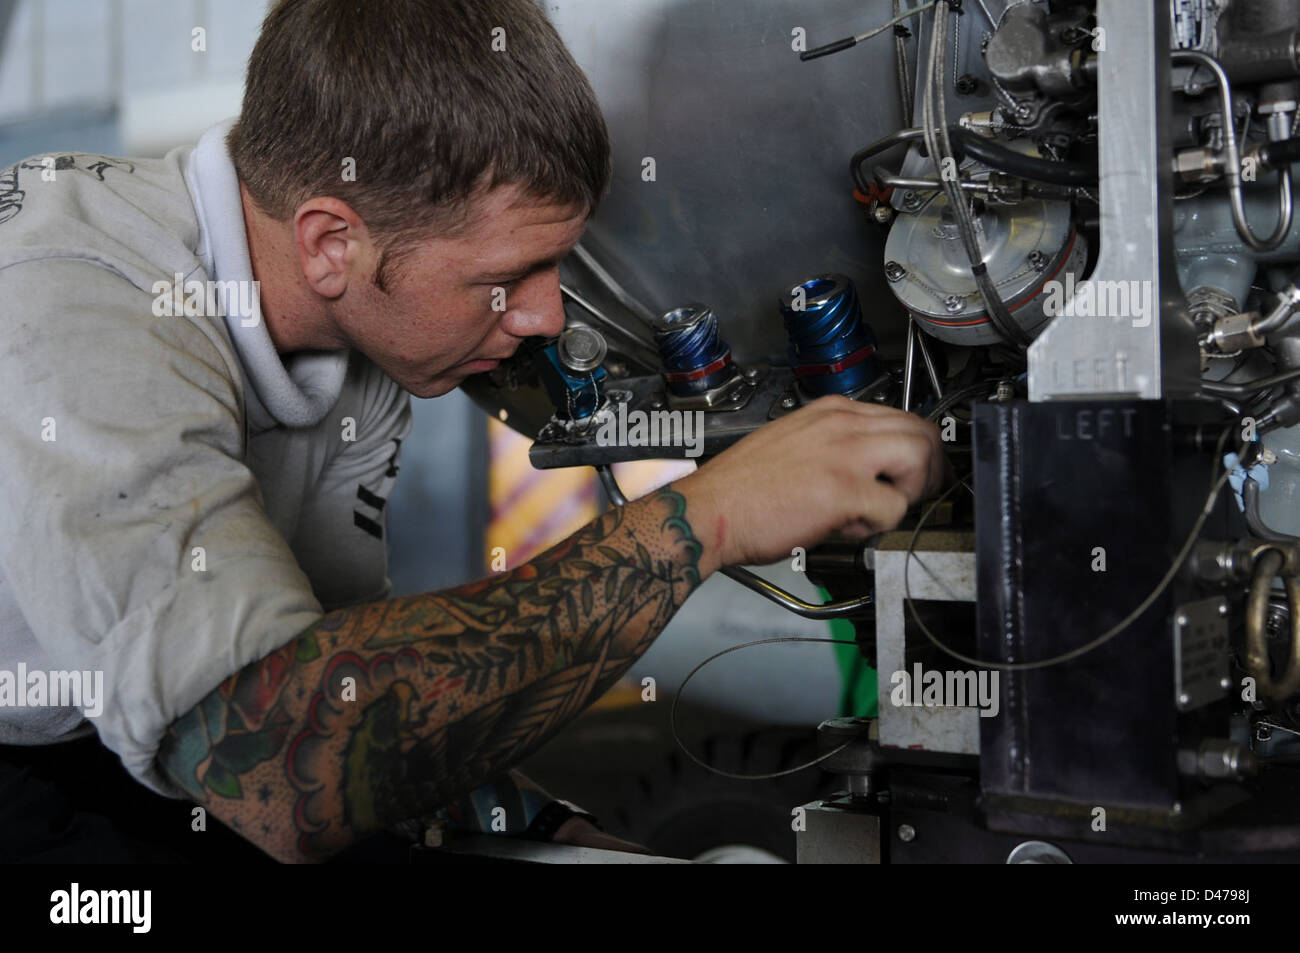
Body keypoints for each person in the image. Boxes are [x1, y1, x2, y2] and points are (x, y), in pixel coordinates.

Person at [0, 0, 946, 863]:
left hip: (149, 730)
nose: (542, 313)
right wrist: (706, 519)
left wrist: (505, 811)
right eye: (509, 274)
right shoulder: (72, 310)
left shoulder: (358, 326)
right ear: (332, 244)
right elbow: (289, 753)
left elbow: (340, 663)